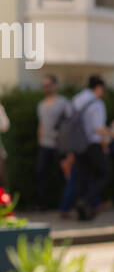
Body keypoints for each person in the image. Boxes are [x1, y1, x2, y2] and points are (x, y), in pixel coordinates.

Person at [69, 75, 110, 220]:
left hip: (77, 143)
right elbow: (97, 128)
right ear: (99, 87)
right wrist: (112, 131)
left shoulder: (77, 99)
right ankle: (86, 200)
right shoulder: (96, 103)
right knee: (105, 173)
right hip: (92, 144)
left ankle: (82, 212)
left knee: (82, 177)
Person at [36, 73, 69, 210]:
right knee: (40, 173)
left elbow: (69, 123)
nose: (46, 88)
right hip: (45, 145)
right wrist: (39, 139)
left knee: (62, 175)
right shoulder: (41, 105)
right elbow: (41, 124)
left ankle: (65, 204)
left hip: (59, 145)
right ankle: (41, 204)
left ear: (55, 86)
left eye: (49, 85)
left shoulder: (63, 103)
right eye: (44, 86)